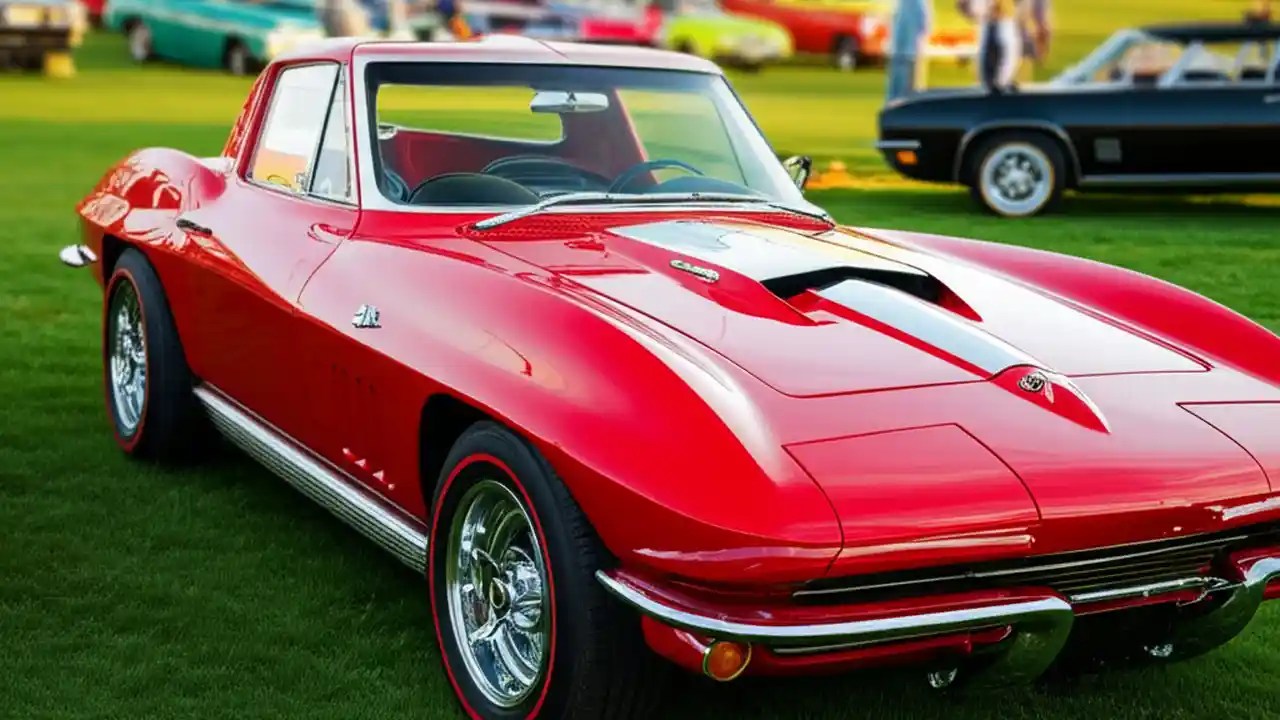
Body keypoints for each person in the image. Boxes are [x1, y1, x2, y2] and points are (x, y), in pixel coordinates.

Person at [962, 0, 1021, 92]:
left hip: (998, 24)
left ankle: (999, 84)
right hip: (996, 24)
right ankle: (999, 84)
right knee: (995, 77)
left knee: (996, 76)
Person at [886, 0, 933, 101]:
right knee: (905, 95)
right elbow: (924, 24)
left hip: (904, 52)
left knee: (899, 94)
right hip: (907, 53)